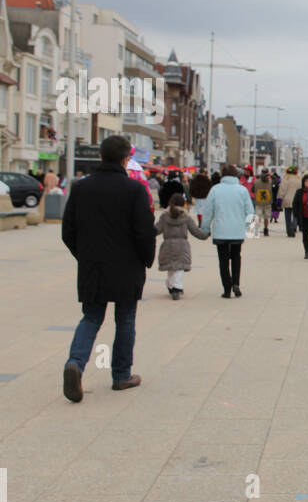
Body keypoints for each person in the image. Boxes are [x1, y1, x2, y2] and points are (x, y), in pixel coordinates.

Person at [60, 134, 157, 401]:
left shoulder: (81, 188)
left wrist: (84, 255)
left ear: (100, 156)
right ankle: (121, 375)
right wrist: (146, 259)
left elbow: (68, 230)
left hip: (93, 265)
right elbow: (144, 232)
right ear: (127, 158)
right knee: (125, 319)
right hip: (127, 266)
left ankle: (75, 364)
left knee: (91, 317)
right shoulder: (134, 190)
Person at [201, 164, 254, 298]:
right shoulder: (242, 190)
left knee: (223, 260)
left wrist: (205, 228)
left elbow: (207, 212)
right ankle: (236, 283)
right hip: (237, 230)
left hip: (221, 230)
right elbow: (250, 211)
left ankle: (227, 288)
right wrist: (251, 230)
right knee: (236, 256)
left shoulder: (215, 190)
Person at [154, 193, 209, 298]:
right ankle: (176, 287)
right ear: (183, 204)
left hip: (167, 245)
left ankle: (171, 285)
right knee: (179, 268)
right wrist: (206, 235)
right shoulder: (186, 217)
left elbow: (156, 230)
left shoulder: (164, 216)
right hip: (182, 246)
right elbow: (195, 231)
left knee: (171, 267)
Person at [278, 167, 303, 237]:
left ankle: (289, 231)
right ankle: (294, 227)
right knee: (295, 215)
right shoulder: (299, 179)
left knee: (287, 216)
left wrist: (279, 199)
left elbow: (282, 190)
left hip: (287, 199)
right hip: (296, 199)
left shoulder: (286, 179)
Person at [252, 171, 273, 236]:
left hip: (258, 201)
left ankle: (256, 230)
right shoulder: (270, 182)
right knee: (266, 217)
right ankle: (266, 229)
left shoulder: (256, 182)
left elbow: (252, 190)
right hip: (267, 201)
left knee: (258, 217)